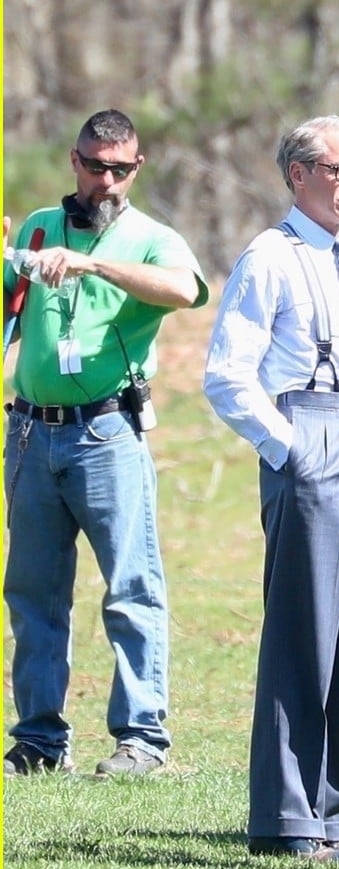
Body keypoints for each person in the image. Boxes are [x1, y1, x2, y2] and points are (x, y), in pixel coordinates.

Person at [3, 108, 208, 779]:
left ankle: (140, 739)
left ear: (137, 168)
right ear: (75, 162)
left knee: (130, 588)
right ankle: (37, 740)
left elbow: (183, 289)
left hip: (106, 432)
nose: (107, 180)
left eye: (121, 168)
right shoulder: (39, 223)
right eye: (96, 166)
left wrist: (93, 265)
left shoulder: (153, 238)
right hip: (32, 431)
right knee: (33, 593)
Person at [203, 115, 339, 859]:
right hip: (304, 432)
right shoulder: (269, 259)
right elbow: (225, 376)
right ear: (298, 174)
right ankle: (285, 820)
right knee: (301, 638)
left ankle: (329, 817)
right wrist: (288, 449)